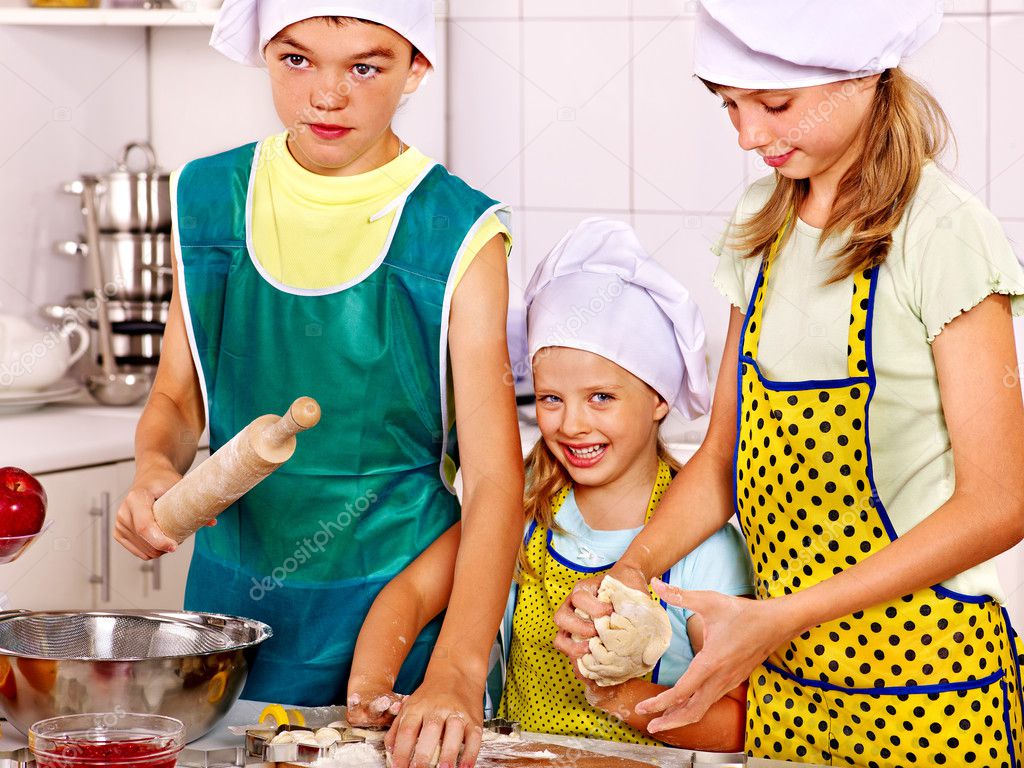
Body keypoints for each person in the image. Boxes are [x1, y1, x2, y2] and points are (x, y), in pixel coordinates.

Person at [554, 3, 1024, 766]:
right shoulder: (763, 223)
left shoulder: (944, 235)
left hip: (930, 686)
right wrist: (629, 573)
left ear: (863, 77)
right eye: (728, 105)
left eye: (773, 105)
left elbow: (1002, 501)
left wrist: (779, 616)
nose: (747, 136)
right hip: (782, 681)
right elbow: (721, 462)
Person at [112, 0, 524, 749]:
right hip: (227, 622)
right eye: (296, 59)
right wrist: (151, 469)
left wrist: (458, 671)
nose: (326, 96)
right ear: (266, 53)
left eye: (366, 66)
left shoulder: (459, 231)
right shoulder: (209, 197)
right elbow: (179, 394)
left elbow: (496, 478)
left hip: (401, 623)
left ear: (416, 69)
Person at [348, 219, 754, 760]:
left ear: (659, 399)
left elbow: (738, 724)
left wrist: (619, 697)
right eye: (551, 399)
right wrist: (370, 694)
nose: (572, 424)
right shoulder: (525, 512)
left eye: (602, 397)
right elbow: (411, 594)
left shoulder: (703, 553)